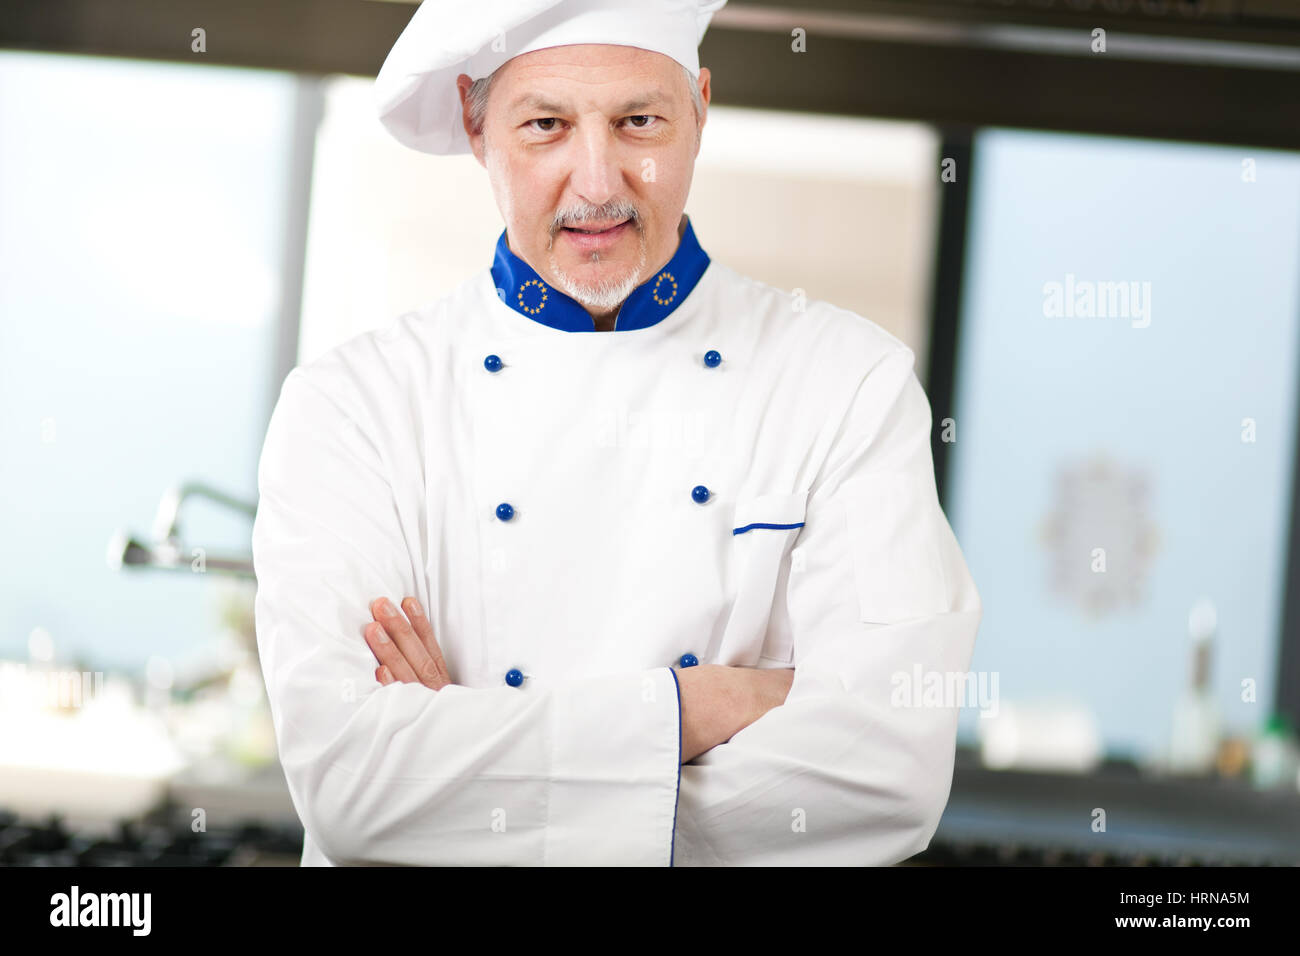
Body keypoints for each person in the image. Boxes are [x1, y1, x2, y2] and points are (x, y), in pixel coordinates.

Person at [251, 0, 982, 866]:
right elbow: (353, 790)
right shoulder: (353, 409)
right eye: (545, 126)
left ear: (700, 113)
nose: (597, 182)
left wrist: (468, 772)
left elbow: (882, 777)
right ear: (477, 128)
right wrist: (697, 711)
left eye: (640, 121)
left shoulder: (848, 387)